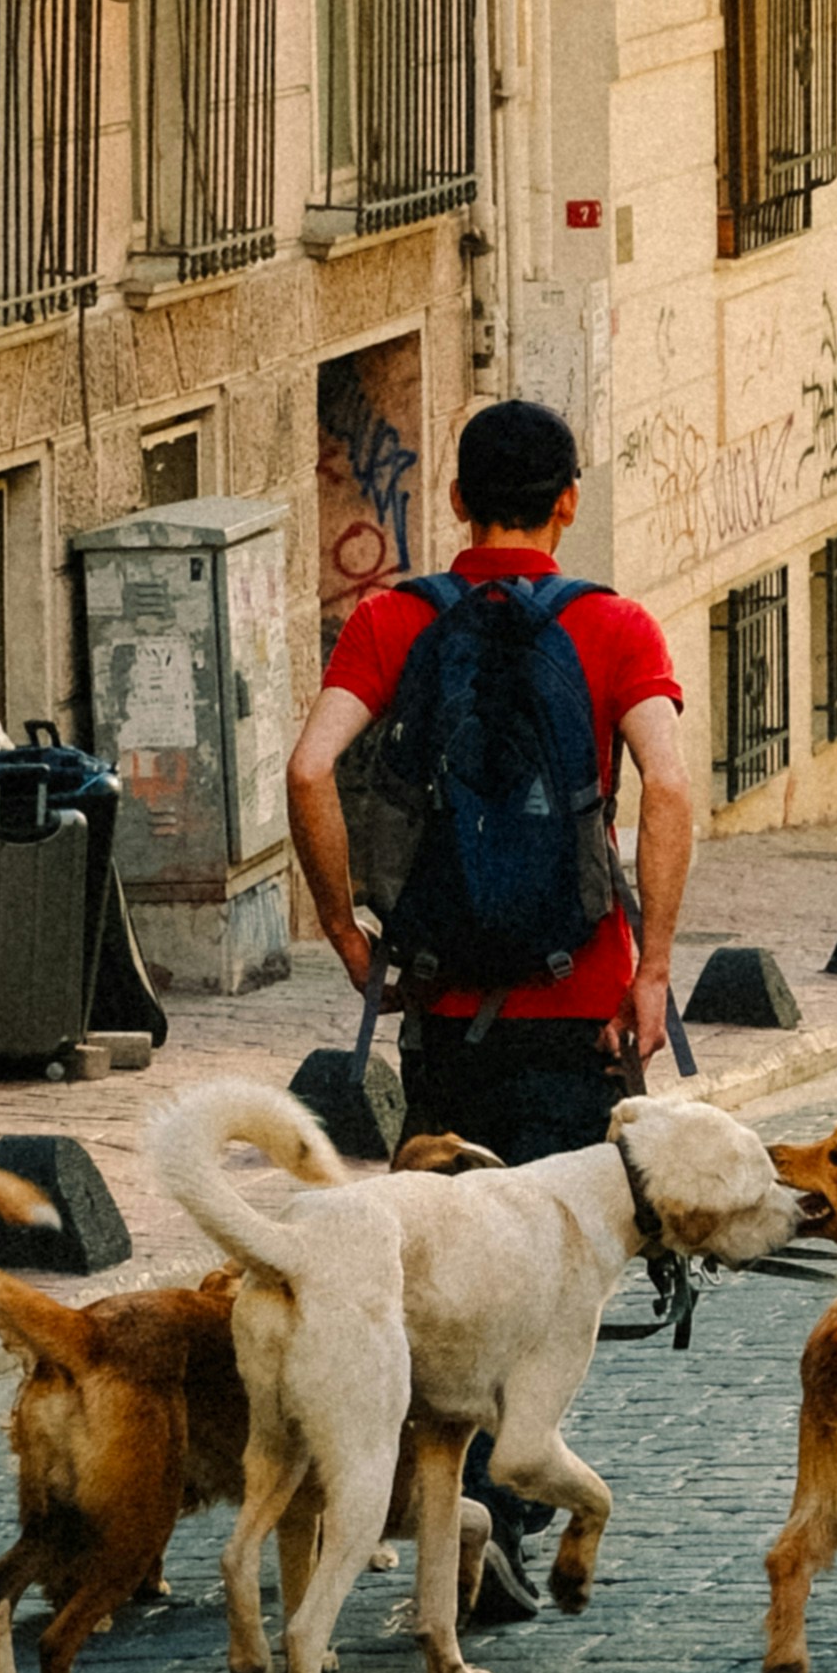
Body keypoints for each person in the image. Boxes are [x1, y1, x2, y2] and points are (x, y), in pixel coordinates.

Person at [285, 401, 695, 1607]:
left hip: (447, 1013)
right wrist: (653, 966)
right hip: (580, 1009)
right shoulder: (613, 626)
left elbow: (312, 768)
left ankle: (455, 1517)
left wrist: (342, 922)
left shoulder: (393, 616)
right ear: (568, 500)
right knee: (551, 1287)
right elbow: (665, 788)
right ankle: (503, 1523)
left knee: (451, 1277)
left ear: (457, 501)